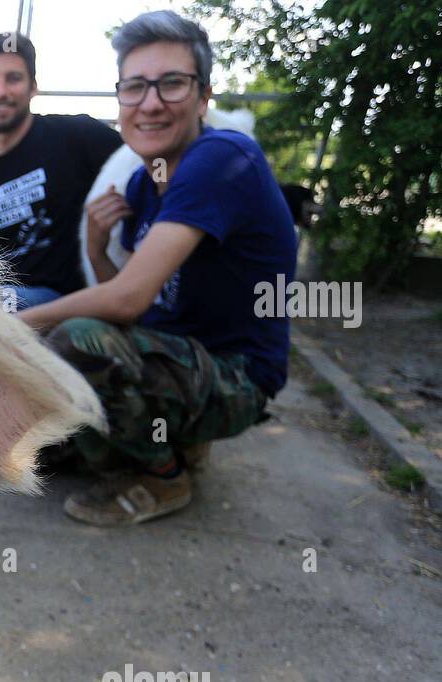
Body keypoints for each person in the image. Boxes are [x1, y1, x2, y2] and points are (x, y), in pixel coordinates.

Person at [17, 10, 298, 527]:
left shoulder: (221, 159)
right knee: (49, 453)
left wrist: (18, 324)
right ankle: (177, 439)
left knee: (70, 340)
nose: (150, 103)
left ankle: (166, 475)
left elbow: (124, 304)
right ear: (120, 97)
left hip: (236, 375)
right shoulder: (147, 184)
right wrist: (99, 250)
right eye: (135, 86)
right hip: (178, 356)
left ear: (204, 95)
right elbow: (137, 303)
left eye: (171, 84)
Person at [0, 33, 123, 311]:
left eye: (13, 78)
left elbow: (140, 161)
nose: (2, 92)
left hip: (66, 299)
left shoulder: (76, 136)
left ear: (33, 86)